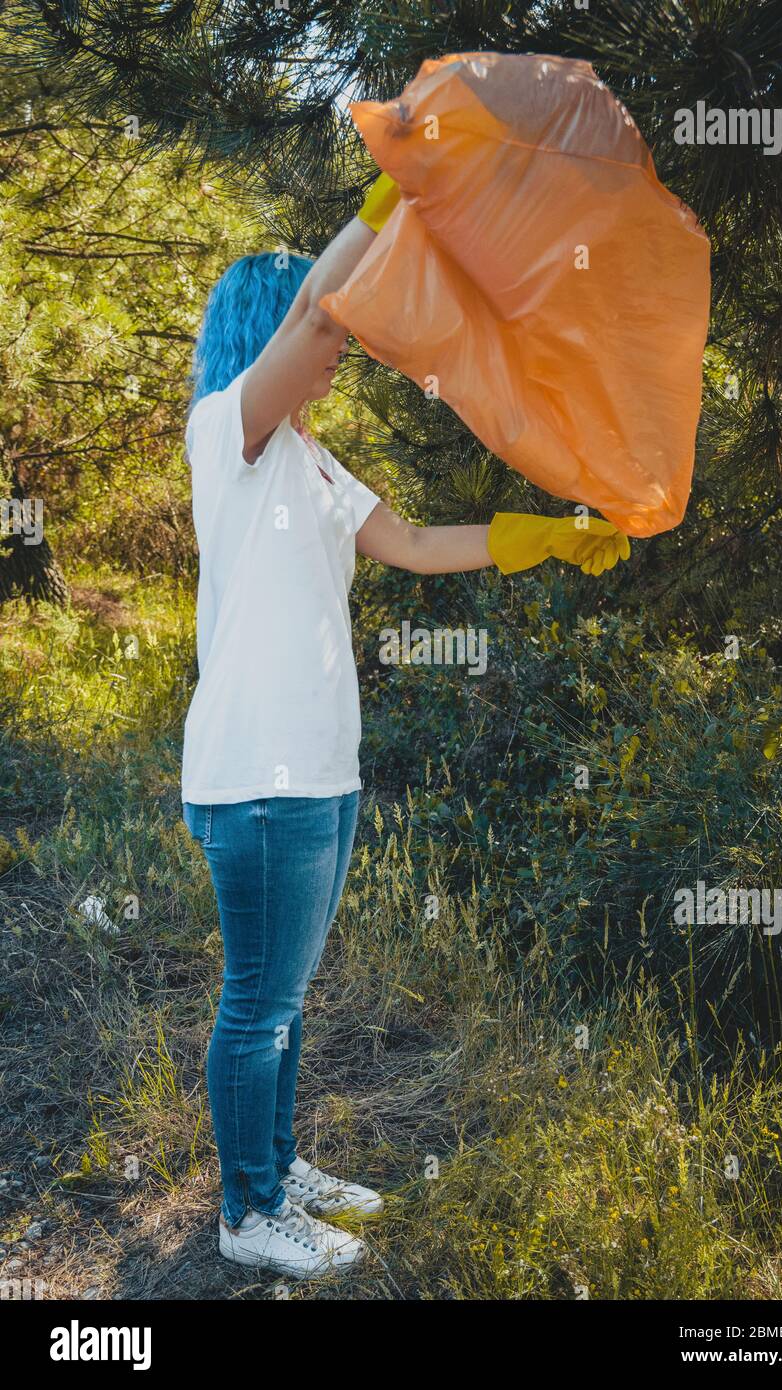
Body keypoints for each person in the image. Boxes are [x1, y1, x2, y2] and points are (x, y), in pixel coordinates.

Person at [182, 172, 629, 1280]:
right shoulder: (227, 432)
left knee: (283, 1001)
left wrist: (546, 534)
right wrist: (391, 200)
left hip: (323, 772)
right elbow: (314, 315)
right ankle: (247, 1211)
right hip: (254, 774)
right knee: (257, 1005)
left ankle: (279, 1168)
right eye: (331, 326)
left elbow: (422, 543)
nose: (347, 345)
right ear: (267, 325)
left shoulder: (313, 460)